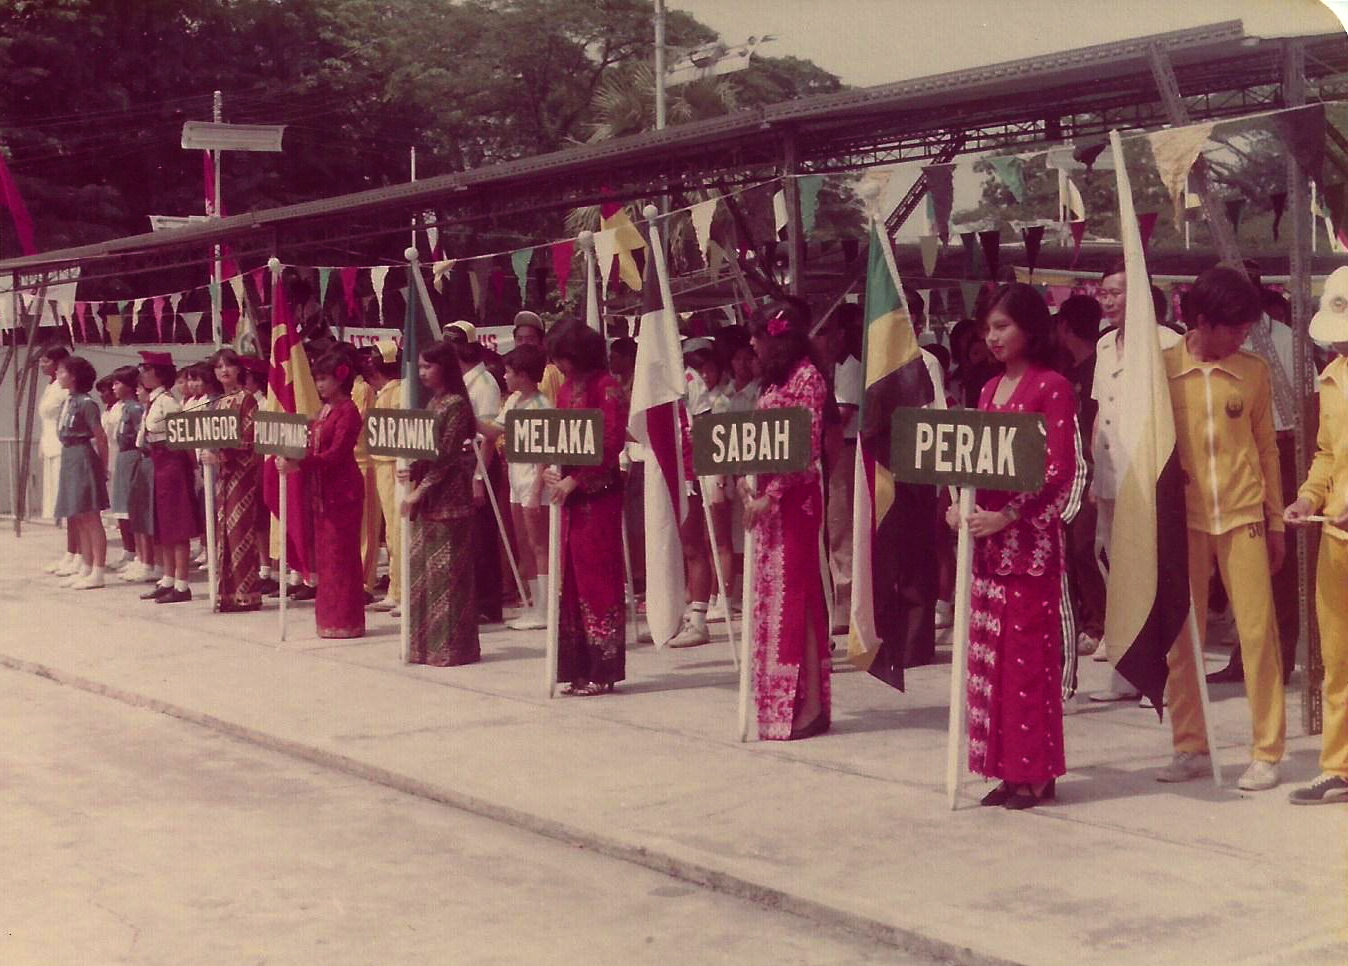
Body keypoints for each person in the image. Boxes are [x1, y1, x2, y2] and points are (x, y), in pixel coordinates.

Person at [946, 284, 1085, 808]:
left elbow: (1058, 470)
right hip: (986, 549)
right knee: (992, 661)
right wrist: (960, 506)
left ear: (1030, 327)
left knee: (1028, 662)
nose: (992, 336)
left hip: (1028, 549)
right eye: (988, 327)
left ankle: (1036, 772)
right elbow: (975, 464)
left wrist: (1006, 515)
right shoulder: (985, 391)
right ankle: (1004, 770)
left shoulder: (1053, 386)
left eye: (1002, 326)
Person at [1157, 266, 1286, 791]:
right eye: (1234, 329)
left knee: (1258, 635)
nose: (1243, 338)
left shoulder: (1253, 372)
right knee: (1184, 639)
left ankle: (1267, 751)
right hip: (1183, 522)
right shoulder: (1163, 369)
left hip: (1242, 517)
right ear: (1203, 322)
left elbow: (1268, 451)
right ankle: (1190, 744)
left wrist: (1274, 520)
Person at [1088, 259, 1181, 700]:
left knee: (1154, 572)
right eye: (1103, 293)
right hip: (1109, 474)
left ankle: (1160, 672)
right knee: (1116, 571)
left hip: (1148, 478)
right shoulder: (1105, 345)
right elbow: (1098, 412)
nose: (1107, 301)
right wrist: (1092, 474)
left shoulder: (1167, 342)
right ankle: (1128, 669)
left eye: (1116, 293)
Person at [740, 299, 830, 739]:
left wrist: (769, 496)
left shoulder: (808, 380)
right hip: (769, 502)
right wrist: (747, 481)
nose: (752, 349)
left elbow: (804, 451)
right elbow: (761, 443)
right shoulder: (771, 383)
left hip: (795, 501)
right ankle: (785, 703)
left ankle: (810, 704)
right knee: (776, 600)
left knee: (798, 599)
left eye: (757, 340)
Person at [1283, 269, 1348, 804]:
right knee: (1338, 656)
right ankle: (1338, 764)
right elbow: (1328, 454)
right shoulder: (1331, 379)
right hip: (1337, 542)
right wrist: (1309, 496)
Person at [543, 321, 629, 695]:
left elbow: (609, 445)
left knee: (598, 580)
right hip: (571, 499)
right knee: (572, 579)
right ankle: (577, 667)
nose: (559, 364)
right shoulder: (563, 389)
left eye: (563, 356)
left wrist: (575, 480)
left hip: (599, 497)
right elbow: (563, 438)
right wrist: (554, 470)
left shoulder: (606, 387)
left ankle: (603, 668)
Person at [400, 340, 479, 666]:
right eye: (419, 367)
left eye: (427, 367)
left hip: (450, 501)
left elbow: (446, 457)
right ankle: (423, 647)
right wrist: (413, 470)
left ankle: (450, 649)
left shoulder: (457, 405)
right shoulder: (433, 404)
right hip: (428, 502)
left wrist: (420, 490)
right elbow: (427, 453)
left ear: (444, 367)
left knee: (447, 578)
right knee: (423, 576)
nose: (422, 373)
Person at [279, 347, 366, 639]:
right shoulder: (324, 411)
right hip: (322, 489)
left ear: (341, 379)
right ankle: (330, 619)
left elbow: (337, 454)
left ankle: (345, 620)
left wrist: (300, 464)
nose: (319, 385)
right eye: (317, 379)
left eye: (324, 379)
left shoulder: (349, 412)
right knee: (326, 558)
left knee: (341, 556)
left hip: (343, 491)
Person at [483, 344, 551, 631]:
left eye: (509, 373)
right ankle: (535, 605)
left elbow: (547, 451)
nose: (505, 378)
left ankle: (547, 607)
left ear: (523, 374)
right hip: (515, 474)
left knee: (538, 544)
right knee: (522, 542)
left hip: (535, 477)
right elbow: (494, 430)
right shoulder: (512, 402)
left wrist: (536, 490)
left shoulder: (543, 405)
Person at [1055, 294, 1108, 661]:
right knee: (1073, 550)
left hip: (1093, 470)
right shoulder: (1069, 370)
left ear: (1065, 327)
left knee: (1087, 549)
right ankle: (1089, 620)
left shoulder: (1098, 369)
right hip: (1071, 470)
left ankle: (1103, 625)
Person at [202, 348, 264, 613]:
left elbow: (250, 438)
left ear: (238, 369)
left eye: (228, 365)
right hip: (222, 476)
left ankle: (246, 592)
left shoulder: (246, 399)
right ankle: (226, 593)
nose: (224, 371)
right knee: (223, 531)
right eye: (219, 367)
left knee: (240, 530)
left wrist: (223, 456)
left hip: (241, 473)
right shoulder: (216, 402)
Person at [454, 334, 506, 625]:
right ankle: (473, 599)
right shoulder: (463, 382)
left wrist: (478, 477)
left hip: (479, 462)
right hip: (463, 458)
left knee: (482, 536)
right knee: (470, 537)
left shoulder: (484, 383)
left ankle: (488, 604)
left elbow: (487, 437)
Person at [138, 353, 196, 604]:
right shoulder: (153, 400)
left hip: (172, 463)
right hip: (158, 462)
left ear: (159, 373)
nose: (142, 372)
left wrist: (193, 469)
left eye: (147, 368)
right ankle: (168, 578)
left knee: (176, 524)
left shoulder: (168, 402)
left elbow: (182, 436)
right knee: (163, 525)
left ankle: (182, 584)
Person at [51, 356, 110, 589]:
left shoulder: (87, 403)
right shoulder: (69, 401)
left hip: (83, 456)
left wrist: (103, 467)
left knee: (91, 516)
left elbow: (101, 437)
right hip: (69, 456)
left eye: (62, 371)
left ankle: (98, 569)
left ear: (74, 376)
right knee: (79, 515)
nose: (58, 374)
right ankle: (85, 564)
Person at [365, 340, 404, 614]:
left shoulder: (401, 392)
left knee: (399, 530)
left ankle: (403, 590)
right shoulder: (382, 393)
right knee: (390, 532)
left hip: (394, 467)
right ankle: (394, 589)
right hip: (380, 466)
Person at [107, 367, 153, 581]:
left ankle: (144, 558)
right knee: (124, 508)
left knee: (134, 508)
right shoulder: (124, 407)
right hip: (123, 456)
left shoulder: (135, 409)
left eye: (118, 383)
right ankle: (136, 556)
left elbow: (140, 438)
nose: (114, 388)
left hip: (133, 456)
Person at [37, 345, 79, 574]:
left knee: (73, 506)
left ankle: (78, 554)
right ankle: (70, 553)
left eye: (46, 361)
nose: (43, 365)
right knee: (64, 507)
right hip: (52, 447)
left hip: (64, 449)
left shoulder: (65, 390)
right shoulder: (53, 386)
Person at [96, 374, 136, 572]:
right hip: (112, 458)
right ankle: (127, 550)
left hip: (122, 455)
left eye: (109, 388)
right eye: (103, 391)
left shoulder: (126, 407)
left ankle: (135, 551)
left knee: (128, 508)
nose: (106, 394)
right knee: (118, 508)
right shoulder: (109, 410)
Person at [514, 310, 565, 403]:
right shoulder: (513, 374)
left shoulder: (550, 373)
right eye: (519, 339)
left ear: (541, 342)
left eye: (530, 339)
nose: (524, 344)